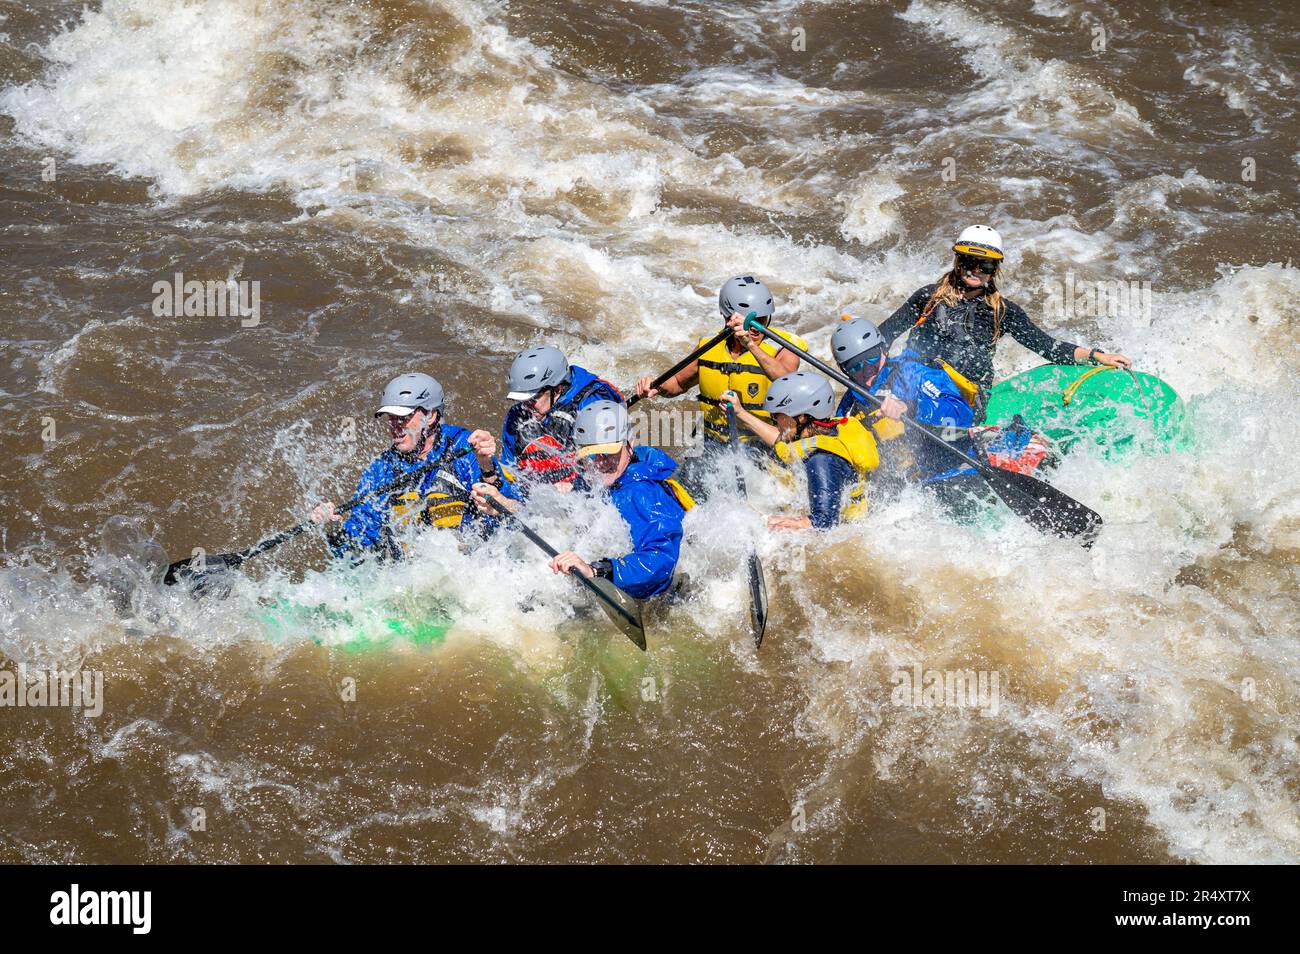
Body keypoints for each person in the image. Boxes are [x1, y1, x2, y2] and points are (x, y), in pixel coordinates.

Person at [876, 225, 1132, 415]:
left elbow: (1048, 347)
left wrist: (1097, 356)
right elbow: (883, 335)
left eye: (984, 266)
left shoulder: (1003, 312)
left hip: (963, 401)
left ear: (994, 269)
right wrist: (879, 382)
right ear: (957, 261)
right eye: (968, 261)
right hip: (912, 386)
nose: (975, 270)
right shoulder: (928, 298)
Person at [472, 400, 693, 599]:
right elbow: (546, 514)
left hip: (669, 593)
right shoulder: (597, 480)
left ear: (629, 444)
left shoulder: (642, 493)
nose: (601, 462)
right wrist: (504, 504)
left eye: (609, 452)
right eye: (593, 455)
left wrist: (597, 570)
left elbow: (661, 559)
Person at [310, 373, 508, 560]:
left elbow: (511, 509)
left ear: (430, 416)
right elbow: (357, 551)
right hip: (414, 574)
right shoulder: (382, 469)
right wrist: (333, 528)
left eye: (403, 418)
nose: (395, 426)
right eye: (391, 418)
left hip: (473, 564)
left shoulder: (464, 448)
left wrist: (487, 468)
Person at [632, 276, 805, 483]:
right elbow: (678, 384)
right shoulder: (709, 347)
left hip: (762, 447)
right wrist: (656, 387)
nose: (757, 328)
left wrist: (750, 345)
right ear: (728, 317)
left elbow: (786, 380)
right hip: (710, 443)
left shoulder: (783, 349)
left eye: (762, 320)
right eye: (751, 321)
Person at [830, 316, 1000, 517]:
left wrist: (911, 407)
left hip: (953, 472)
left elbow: (959, 415)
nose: (867, 370)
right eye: (855, 366)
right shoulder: (850, 404)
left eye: (872, 358)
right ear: (844, 370)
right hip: (904, 491)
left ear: (884, 350)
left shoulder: (912, 372)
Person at [721, 372, 878, 531]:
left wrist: (768, 522)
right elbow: (781, 441)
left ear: (802, 417)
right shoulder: (826, 429)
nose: (774, 419)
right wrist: (740, 412)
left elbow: (824, 524)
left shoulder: (822, 460)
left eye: (777, 415)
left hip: (851, 530)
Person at [500, 345, 623, 487]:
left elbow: (605, 471)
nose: (526, 406)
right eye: (522, 400)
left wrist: (574, 487)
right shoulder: (518, 416)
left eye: (533, 399)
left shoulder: (592, 407)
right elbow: (509, 469)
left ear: (557, 388)